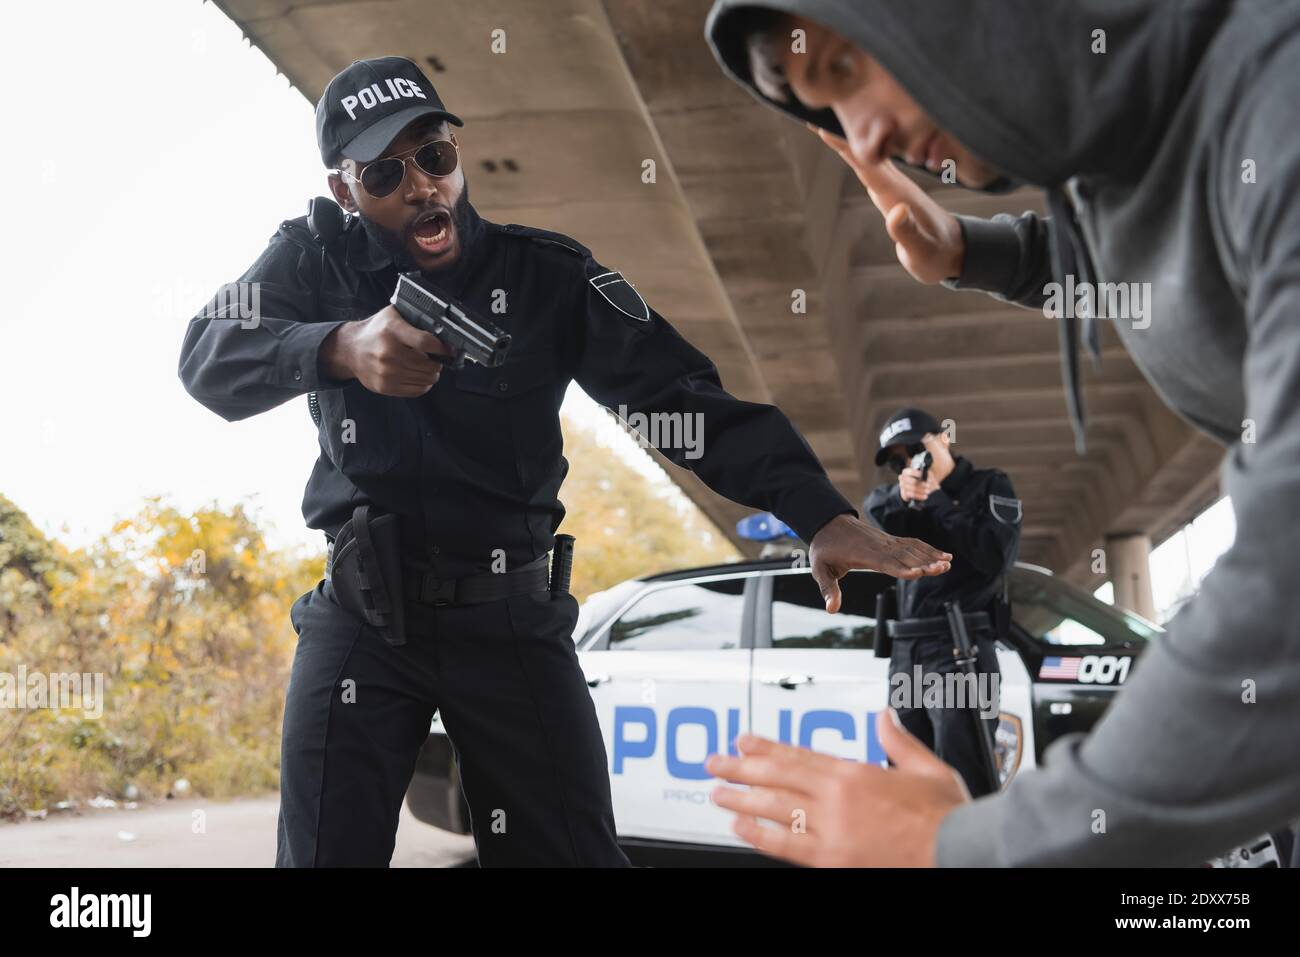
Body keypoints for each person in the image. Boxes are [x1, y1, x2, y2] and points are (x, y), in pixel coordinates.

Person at [177, 55, 951, 867]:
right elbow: (208, 358)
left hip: (508, 616)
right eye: (384, 172)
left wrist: (818, 513)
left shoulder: (545, 275)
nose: (422, 187)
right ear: (345, 190)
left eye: (435, 155)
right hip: (362, 616)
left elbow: (679, 399)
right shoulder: (314, 259)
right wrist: (339, 345)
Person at [701, 0, 1300, 867]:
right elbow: (1146, 242)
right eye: (825, 109)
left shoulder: (1273, 94)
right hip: (916, 661)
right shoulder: (1149, 130)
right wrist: (970, 253)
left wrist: (964, 845)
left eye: (844, 70)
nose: (861, 139)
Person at [864, 407, 1021, 798]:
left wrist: (940, 503)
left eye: (916, 449)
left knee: (964, 774)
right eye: (898, 460)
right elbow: (876, 513)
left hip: (960, 646)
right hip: (907, 650)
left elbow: (996, 556)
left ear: (943, 439)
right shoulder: (901, 501)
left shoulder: (989, 486)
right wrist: (908, 497)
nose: (910, 461)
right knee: (906, 772)